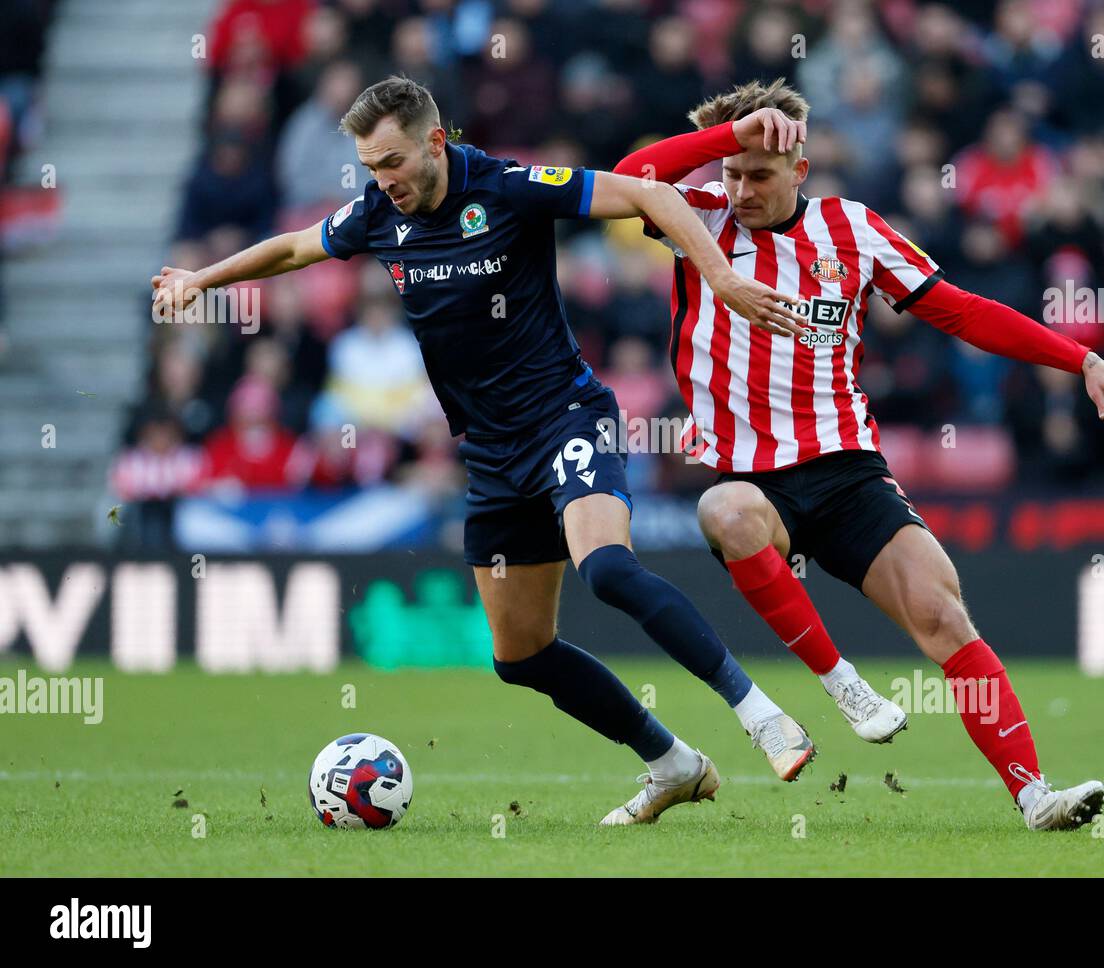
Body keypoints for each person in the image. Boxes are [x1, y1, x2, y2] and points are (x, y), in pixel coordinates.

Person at [153, 76, 821, 827]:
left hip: (566, 419)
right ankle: (672, 763)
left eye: (395, 162)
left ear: (436, 142)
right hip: (495, 456)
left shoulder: (509, 187)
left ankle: (761, 713)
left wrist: (722, 276)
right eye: (372, 167)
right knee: (521, 656)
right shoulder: (380, 212)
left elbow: (651, 196)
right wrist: (201, 279)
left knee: (607, 569)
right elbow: (294, 249)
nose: (385, 181)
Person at [615, 79, 1104, 830]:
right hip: (754, 479)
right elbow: (628, 175)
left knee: (946, 618)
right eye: (730, 172)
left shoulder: (853, 232)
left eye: (758, 174)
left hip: (848, 472)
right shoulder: (694, 219)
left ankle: (1035, 796)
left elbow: (958, 309)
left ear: (800, 169)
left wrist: (1079, 359)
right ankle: (843, 685)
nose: (739, 189)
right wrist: (725, 142)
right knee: (722, 510)